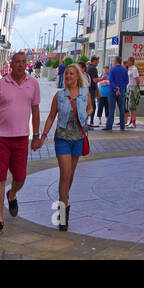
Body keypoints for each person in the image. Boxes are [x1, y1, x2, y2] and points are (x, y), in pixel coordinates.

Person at [0, 51, 41, 238]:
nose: (21, 65)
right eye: (17, 62)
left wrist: (36, 135)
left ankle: (12, 194)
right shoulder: (0, 85)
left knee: (20, 178)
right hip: (1, 138)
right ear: (11, 64)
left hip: (22, 139)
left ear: (27, 64)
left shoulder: (33, 84)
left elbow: (35, 112)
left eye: (23, 62)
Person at [36, 63, 92, 231]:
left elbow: (90, 107)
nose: (68, 76)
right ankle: (63, 211)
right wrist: (43, 135)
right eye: (66, 74)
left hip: (78, 138)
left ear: (77, 77)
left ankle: (64, 200)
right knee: (65, 173)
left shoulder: (84, 93)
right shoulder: (59, 96)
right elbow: (51, 117)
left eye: (71, 74)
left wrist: (87, 112)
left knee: (71, 175)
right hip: (62, 139)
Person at [104, 56, 129, 131]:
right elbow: (126, 81)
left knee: (111, 109)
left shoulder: (112, 69)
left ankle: (109, 126)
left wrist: (116, 88)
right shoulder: (124, 70)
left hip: (112, 92)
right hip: (121, 92)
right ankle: (122, 126)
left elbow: (111, 81)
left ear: (115, 61)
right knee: (121, 109)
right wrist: (120, 89)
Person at [85, 55, 101, 128]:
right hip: (91, 90)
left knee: (89, 106)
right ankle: (90, 122)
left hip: (88, 90)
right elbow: (94, 80)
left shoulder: (88, 67)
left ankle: (87, 122)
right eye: (97, 61)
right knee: (92, 107)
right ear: (94, 61)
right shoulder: (93, 69)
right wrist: (102, 78)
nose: (98, 63)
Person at [125, 56, 141, 127]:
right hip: (129, 89)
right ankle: (131, 121)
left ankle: (133, 122)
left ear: (131, 62)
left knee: (133, 106)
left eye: (128, 61)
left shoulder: (134, 69)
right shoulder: (129, 69)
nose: (127, 62)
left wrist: (136, 88)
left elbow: (137, 79)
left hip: (133, 89)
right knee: (130, 106)